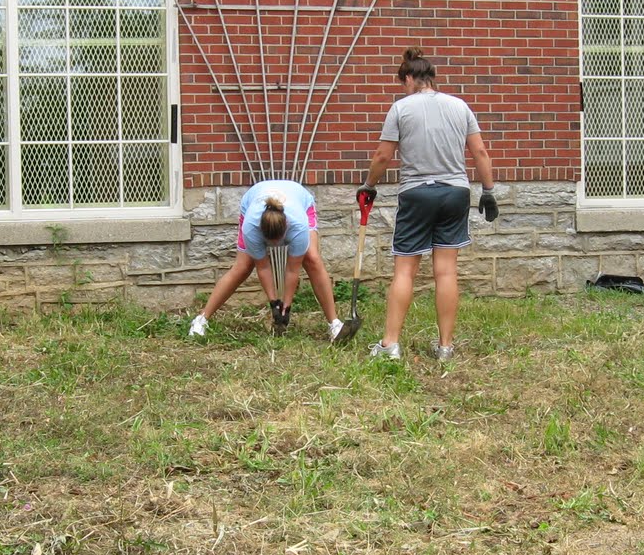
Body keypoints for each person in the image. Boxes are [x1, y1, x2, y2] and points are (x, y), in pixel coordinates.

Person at [358, 47, 496, 362]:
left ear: (409, 78)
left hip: (417, 194)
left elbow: (382, 156)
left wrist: (369, 186)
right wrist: (488, 190)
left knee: (405, 270)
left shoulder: (400, 108)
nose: (402, 89)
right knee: (446, 271)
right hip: (455, 193)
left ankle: (390, 344)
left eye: (402, 82)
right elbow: (480, 153)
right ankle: (445, 347)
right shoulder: (460, 106)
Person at [189, 179, 345, 341]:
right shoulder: (251, 227)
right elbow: (262, 267)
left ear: (286, 228)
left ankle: (334, 323)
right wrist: (273, 302)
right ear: (261, 232)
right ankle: (201, 320)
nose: (276, 246)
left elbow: (293, 269)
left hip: (300, 200)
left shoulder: (298, 225)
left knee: (312, 258)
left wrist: (287, 305)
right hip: (252, 200)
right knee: (243, 266)